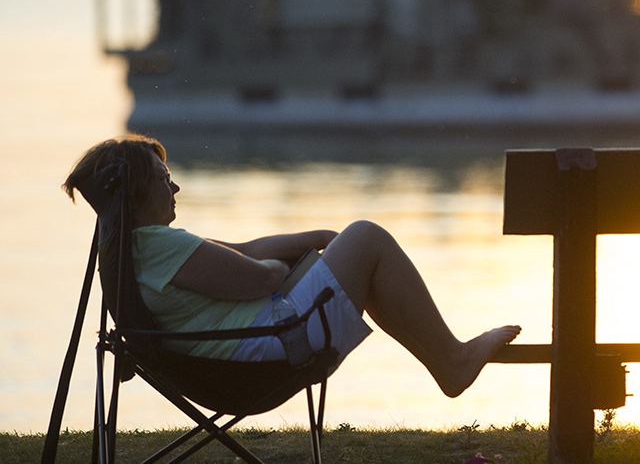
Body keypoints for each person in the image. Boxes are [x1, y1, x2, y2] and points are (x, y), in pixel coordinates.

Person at [63, 135, 520, 398]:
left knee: (352, 244)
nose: (175, 187)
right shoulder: (157, 246)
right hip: (270, 350)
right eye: (165, 180)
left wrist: (320, 242)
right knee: (368, 237)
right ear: (140, 193)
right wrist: (292, 270)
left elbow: (244, 247)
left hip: (227, 362)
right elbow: (262, 275)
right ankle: (453, 361)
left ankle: (447, 358)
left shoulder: (134, 249)